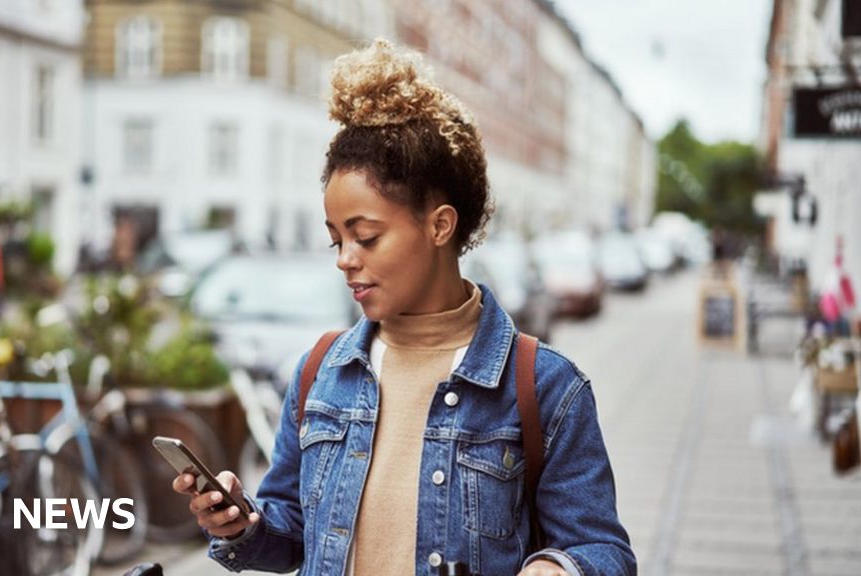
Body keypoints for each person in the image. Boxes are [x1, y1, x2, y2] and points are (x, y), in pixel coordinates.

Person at [173, 39, 636, 576]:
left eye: (365, 237)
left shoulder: (545, 388)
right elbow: (294, 530)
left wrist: (561, 568)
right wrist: (245, 524)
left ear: (440, 225)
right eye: (335, 240)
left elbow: (605, 552)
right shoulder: (320, 373)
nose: (346, 260)